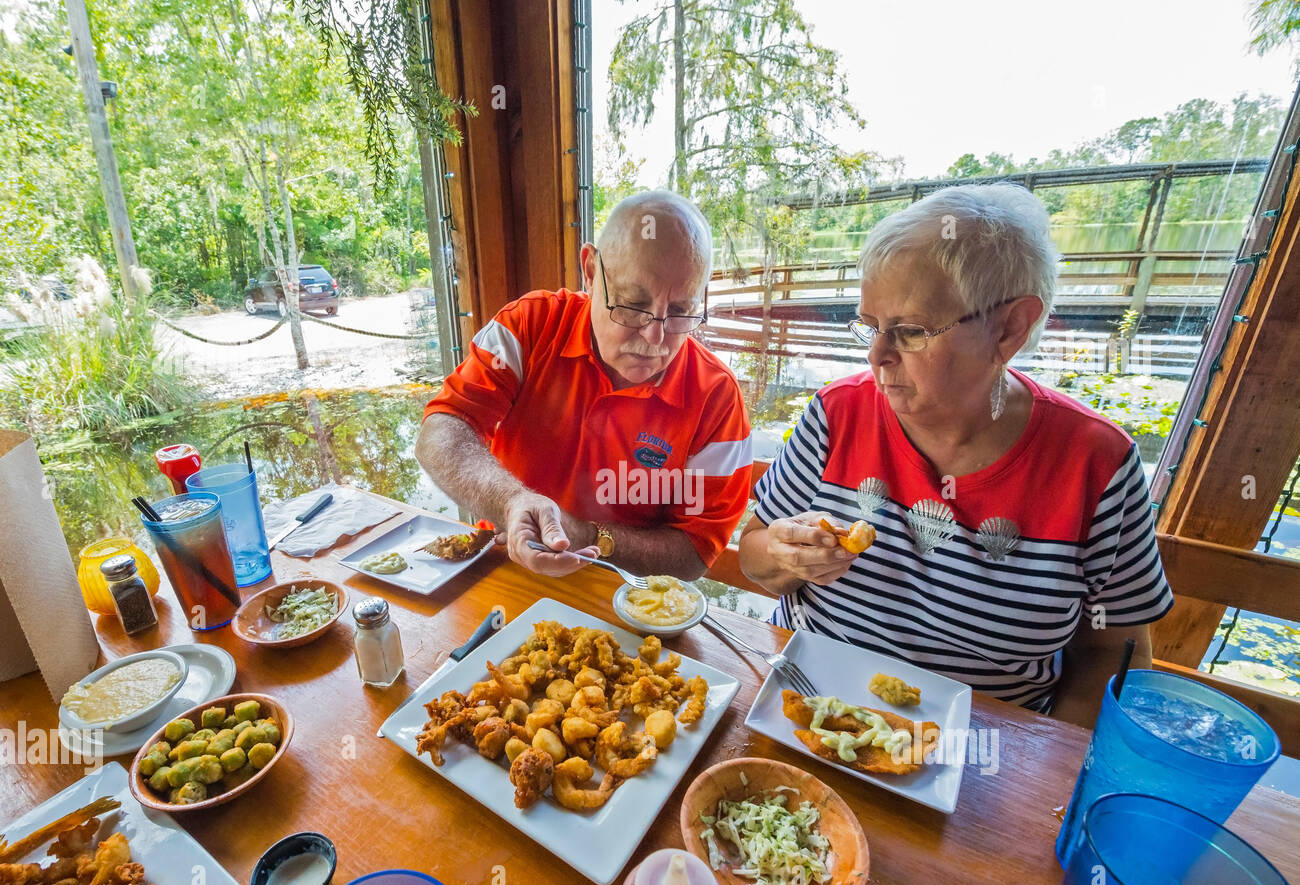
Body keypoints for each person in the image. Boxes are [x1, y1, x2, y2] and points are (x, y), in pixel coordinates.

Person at [738, 183, 1173, 724]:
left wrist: (1048, 781)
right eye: (870, 326)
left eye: (911, 331)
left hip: (989, 754)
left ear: (1010, 329)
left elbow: (1112, 654)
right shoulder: (837, 413)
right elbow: (753, 552)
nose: (877, 355)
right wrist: (785, 557)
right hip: (809, 710)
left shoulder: (1096, 465)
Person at [416, 190, 752, 580]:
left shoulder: (716, 398)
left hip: (625, 597)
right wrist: (512, 501)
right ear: (590, 272)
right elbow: (441, 430)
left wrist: (593, 538)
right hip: (505, 572)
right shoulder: (529, 326)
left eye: (680, 311)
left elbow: (695, 552)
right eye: (631, 304)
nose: (655, 338)